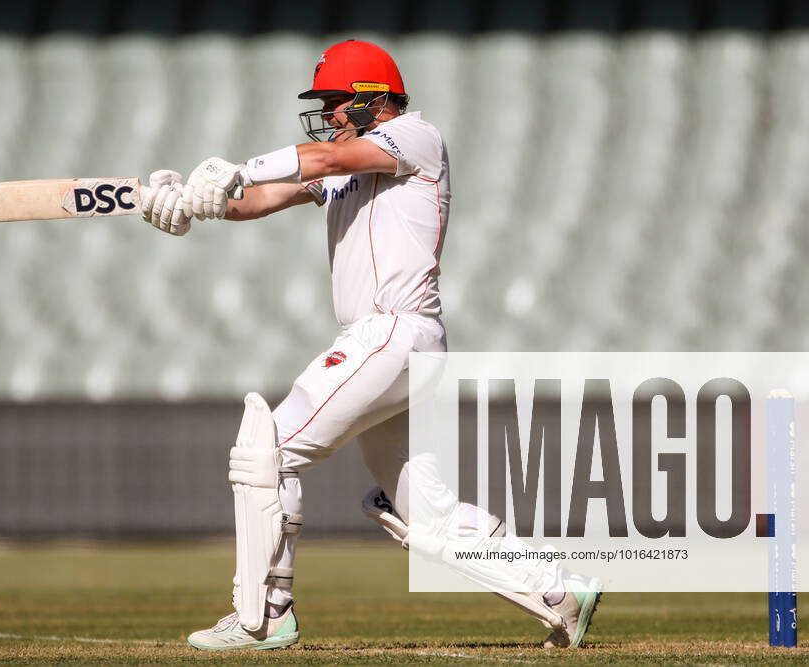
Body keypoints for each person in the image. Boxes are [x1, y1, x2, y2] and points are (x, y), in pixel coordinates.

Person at [141, 39, 601, 651]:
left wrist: (241, 166)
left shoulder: (415, 136)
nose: (328, 115)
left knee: (269, 450)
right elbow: (259, 199)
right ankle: (559, 593)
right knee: (426, 515)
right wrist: (190, 204)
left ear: (375, 102)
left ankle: (266, 617)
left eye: (335, 103)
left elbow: (316, 163)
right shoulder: (347, 165)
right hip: (400, 344)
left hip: (392, 330)